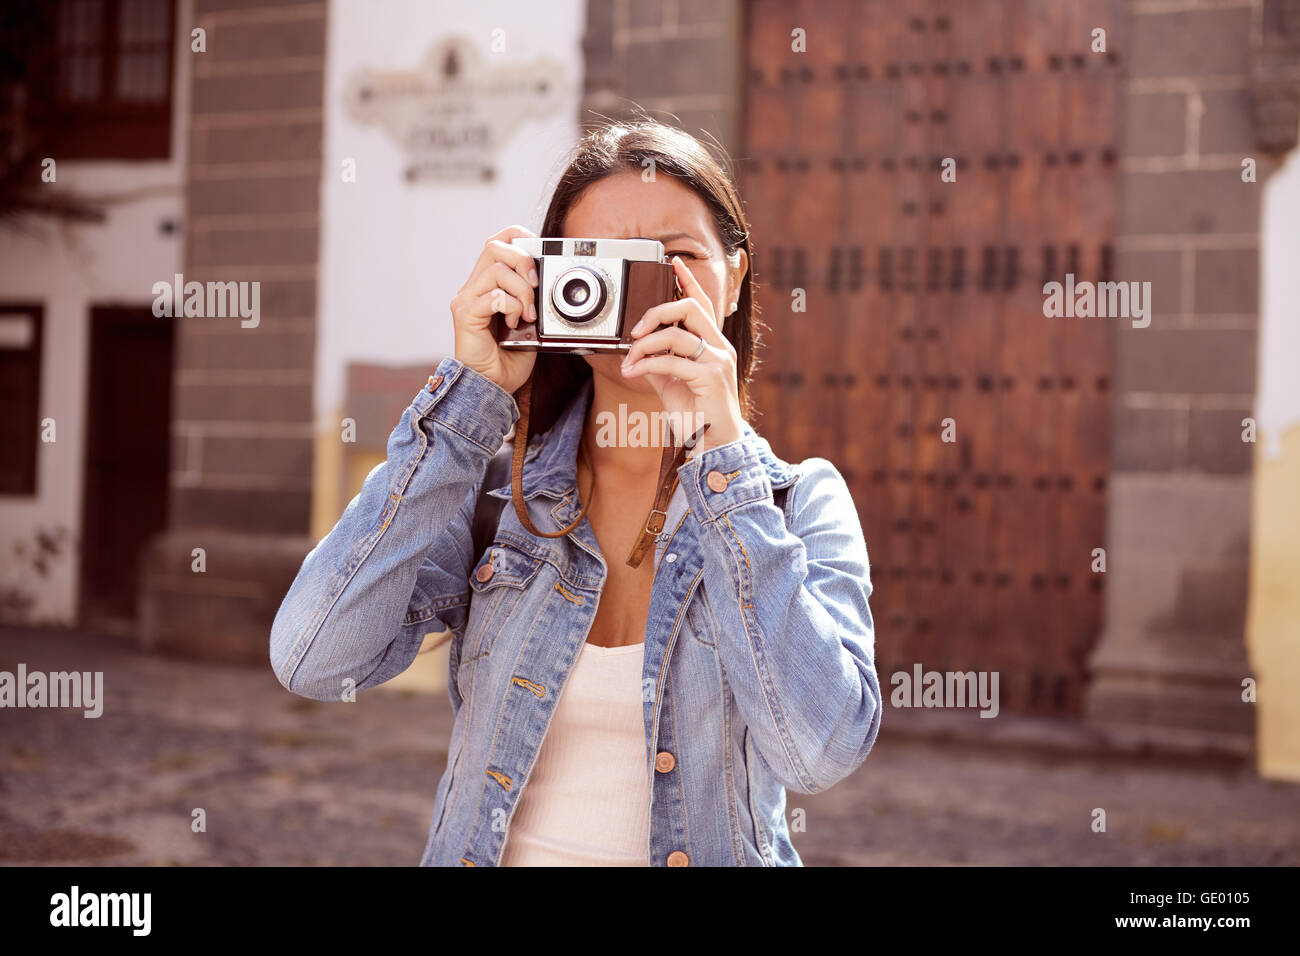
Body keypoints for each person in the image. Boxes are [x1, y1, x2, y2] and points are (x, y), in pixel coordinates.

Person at [269, 119, 881, 866]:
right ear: (550, 279)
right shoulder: (495, 494)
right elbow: (314, 659)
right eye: (604, 262)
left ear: (734, 279)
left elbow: (818, 753)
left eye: (678, 258)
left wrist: (722, 459)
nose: (644, 292)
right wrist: (470, 398)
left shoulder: (796, 505)